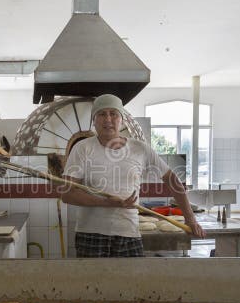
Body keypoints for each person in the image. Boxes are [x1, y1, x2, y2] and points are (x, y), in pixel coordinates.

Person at [60, 94, 205, 257]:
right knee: (93, 276)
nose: (108, 119)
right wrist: (106, 203)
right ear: (94, 120)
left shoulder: (140, 149)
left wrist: (190, 219)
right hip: (91, 234)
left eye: (113, 113)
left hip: (128, 233)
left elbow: (173, 182)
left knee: (133, 275)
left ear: (122, 120)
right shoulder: (82, 148)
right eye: (101, 114)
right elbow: (67, 194)